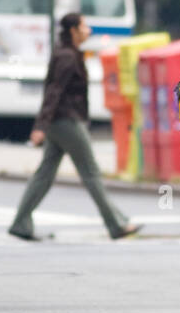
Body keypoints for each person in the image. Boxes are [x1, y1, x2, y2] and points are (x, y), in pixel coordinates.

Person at [8, 13, 141, 242]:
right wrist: (41, 125)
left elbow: (53, 90)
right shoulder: (68, 57)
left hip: (59, 122)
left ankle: (21, 222)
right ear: (73, 30)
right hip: (67, 122)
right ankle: (116, 224)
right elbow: (54, 91)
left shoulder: (67, 53)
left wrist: (44, 124)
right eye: (84, 26)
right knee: (91, 172)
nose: (88, 30)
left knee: (45, 174)